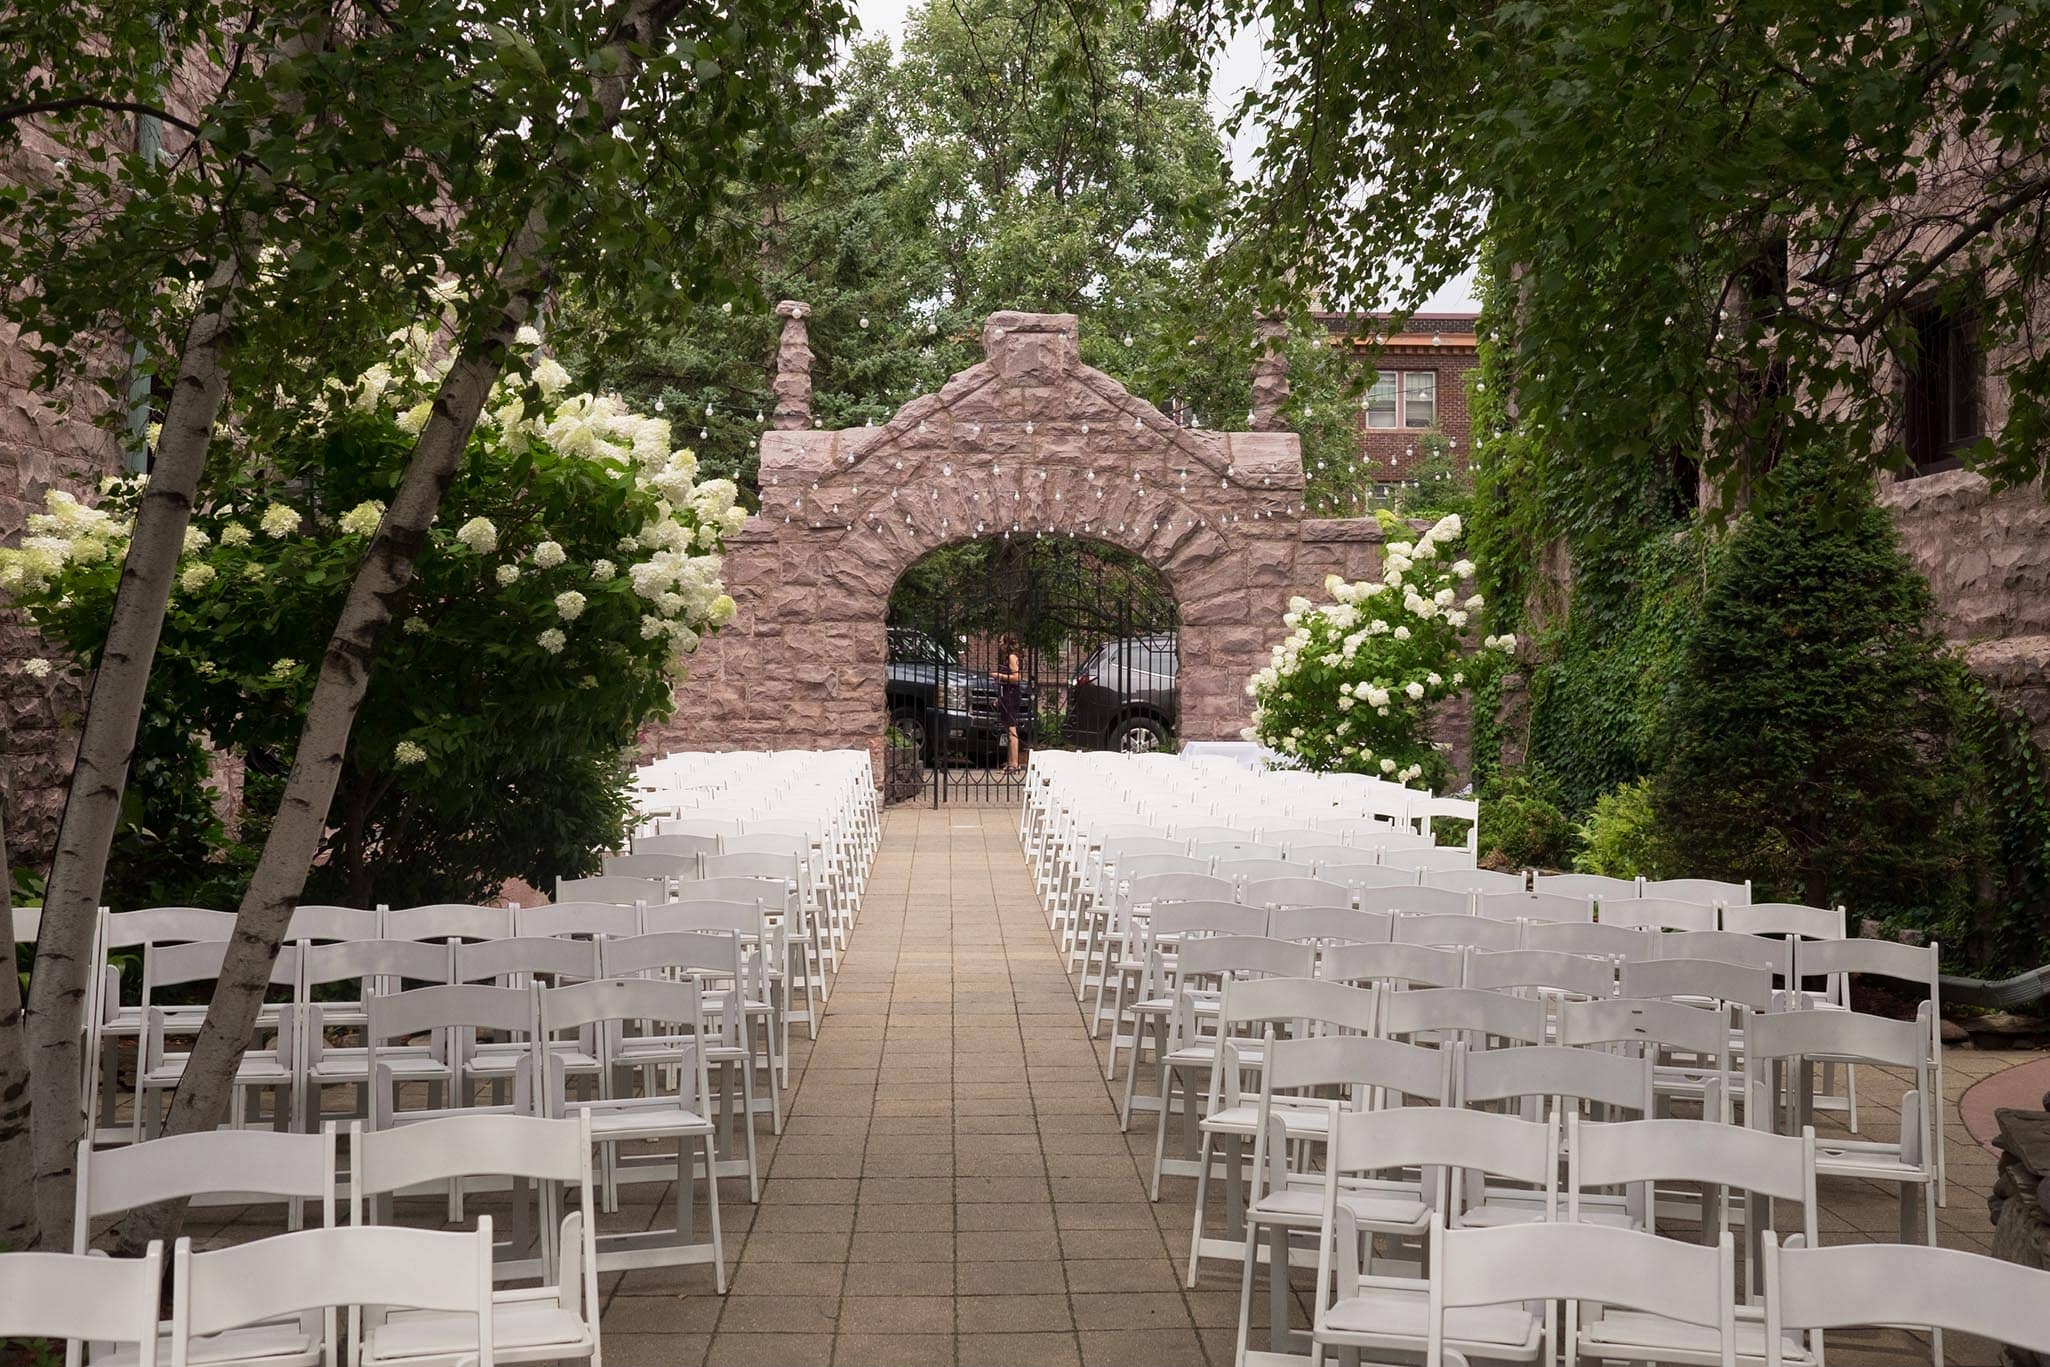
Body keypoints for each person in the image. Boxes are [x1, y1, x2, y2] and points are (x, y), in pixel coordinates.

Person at [992, 633, 1026, 773]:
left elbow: (1017, 677)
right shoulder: (1008, 658)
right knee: (1008, 729)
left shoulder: (1012, 657)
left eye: (1001, 641)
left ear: (1006, 643)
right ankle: (1011, 762)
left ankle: (1014, 764)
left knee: (1012, 729)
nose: (999, 644)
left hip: (1011, 696)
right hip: (1006, 695)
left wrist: (999, 675)